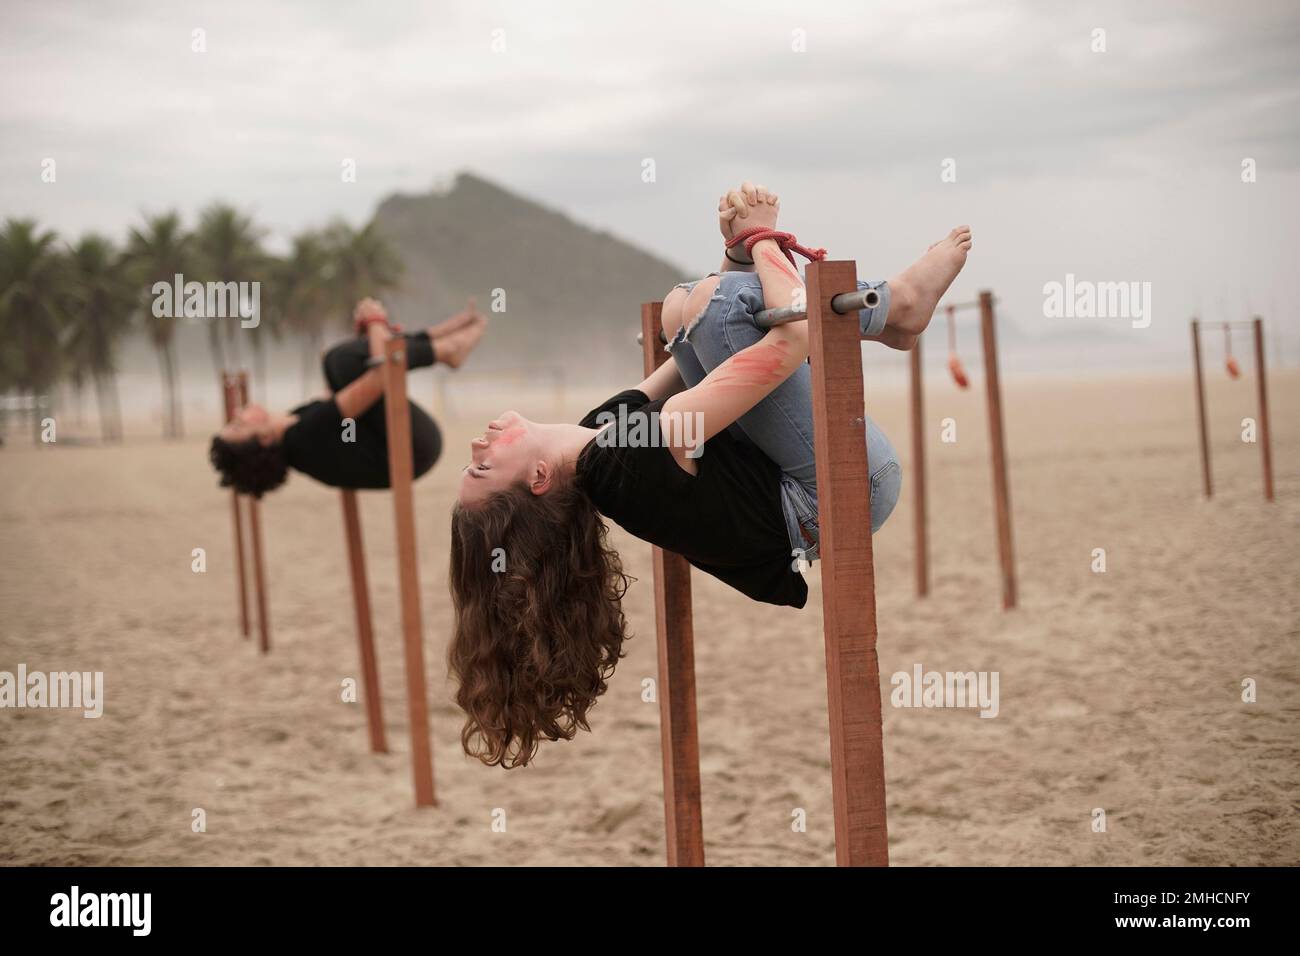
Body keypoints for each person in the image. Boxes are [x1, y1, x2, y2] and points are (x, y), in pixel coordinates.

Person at [449, 181, 971, 767]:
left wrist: (736, 254)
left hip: (798, 487)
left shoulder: (600, 436)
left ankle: (895, 316)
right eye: (482, 465)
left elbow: (689, 351)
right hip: (838, 492)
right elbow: (795, 337)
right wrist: (767, 239)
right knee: (710, 306)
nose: (478, 441)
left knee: (685, 305)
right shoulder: (628, 458)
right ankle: (896, 306)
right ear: (539, 478)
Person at [209, 298, 486, 496]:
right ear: (265, 438)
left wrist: (368, 340)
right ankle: (447, 349)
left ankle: (440, 341)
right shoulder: (304, 435)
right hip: (412, 448)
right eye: (237, 426)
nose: (237, 414)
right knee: (341, 361)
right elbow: (379, 378)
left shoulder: (295, 433)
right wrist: (376, 321)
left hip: (401, 447)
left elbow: (357, 381)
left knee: (339, 364)